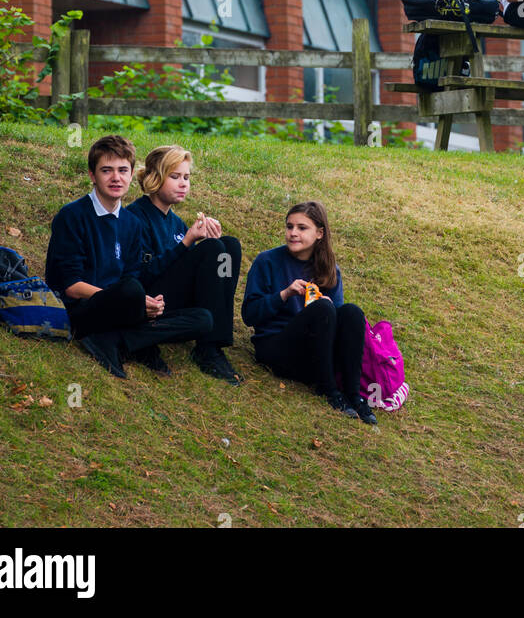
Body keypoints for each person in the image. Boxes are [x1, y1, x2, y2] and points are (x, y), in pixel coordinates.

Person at [45, 134, 212, 379]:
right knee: (131, 290)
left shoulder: (132, 223)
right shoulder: (72, 215)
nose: (116, 178)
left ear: (132, 174)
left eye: (123, 170)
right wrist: (126, 299)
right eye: (106, 170)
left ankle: (117, 342)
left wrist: (146, 303)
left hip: (122, 310)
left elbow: (133, 276)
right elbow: (71, 287)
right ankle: (132, 342)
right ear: (92, 175)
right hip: (81, 310)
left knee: (203, 319)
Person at [241, 201, 376, 425]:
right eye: (289, 226)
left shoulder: (328, 269)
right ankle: (328, 390)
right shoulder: (267, 261)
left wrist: (330, 305)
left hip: (315, 355)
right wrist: (283, 294)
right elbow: (249, 315)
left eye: (302, 228)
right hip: (277, 348)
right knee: (323, 309)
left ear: (319, 233)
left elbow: (340, 325)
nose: (293, 233)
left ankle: (353, 394)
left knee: (351, 312)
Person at [127, 145, 244, 384]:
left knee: (228, 248)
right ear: (154, 178)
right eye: (175, 176)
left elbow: (193, 270)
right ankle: (208, 349)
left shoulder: (177, 223)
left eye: (187, 177)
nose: (183, 184)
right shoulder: (136, 217)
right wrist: (188, 242)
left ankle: (214, 342)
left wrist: (210, 244)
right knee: (214, 249)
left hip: (180, 298)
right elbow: (142, 277)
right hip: (152, 302)